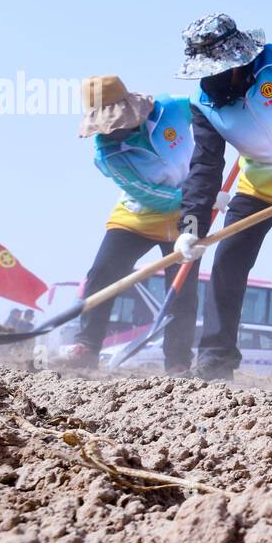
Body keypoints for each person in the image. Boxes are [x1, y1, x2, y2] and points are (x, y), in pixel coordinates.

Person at [173, 14, 272, 381]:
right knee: (228, 263)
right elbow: (205, 167)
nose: (210, 80)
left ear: (238, 60)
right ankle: (216, 358)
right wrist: (191, 226)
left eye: (217, 70)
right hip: (259, 187)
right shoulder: (204, 102)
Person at [64, 75, 198, 372]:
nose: (112, 132)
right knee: (102, 274)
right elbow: (152, 196)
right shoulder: (107, 152)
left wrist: (209, 185)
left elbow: (211, 116)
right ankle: (88, 345)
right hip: (138, 214)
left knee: (183, 287)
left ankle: (178, 362)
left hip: (187, 217)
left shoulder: (171, 108)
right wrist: (200, 198)